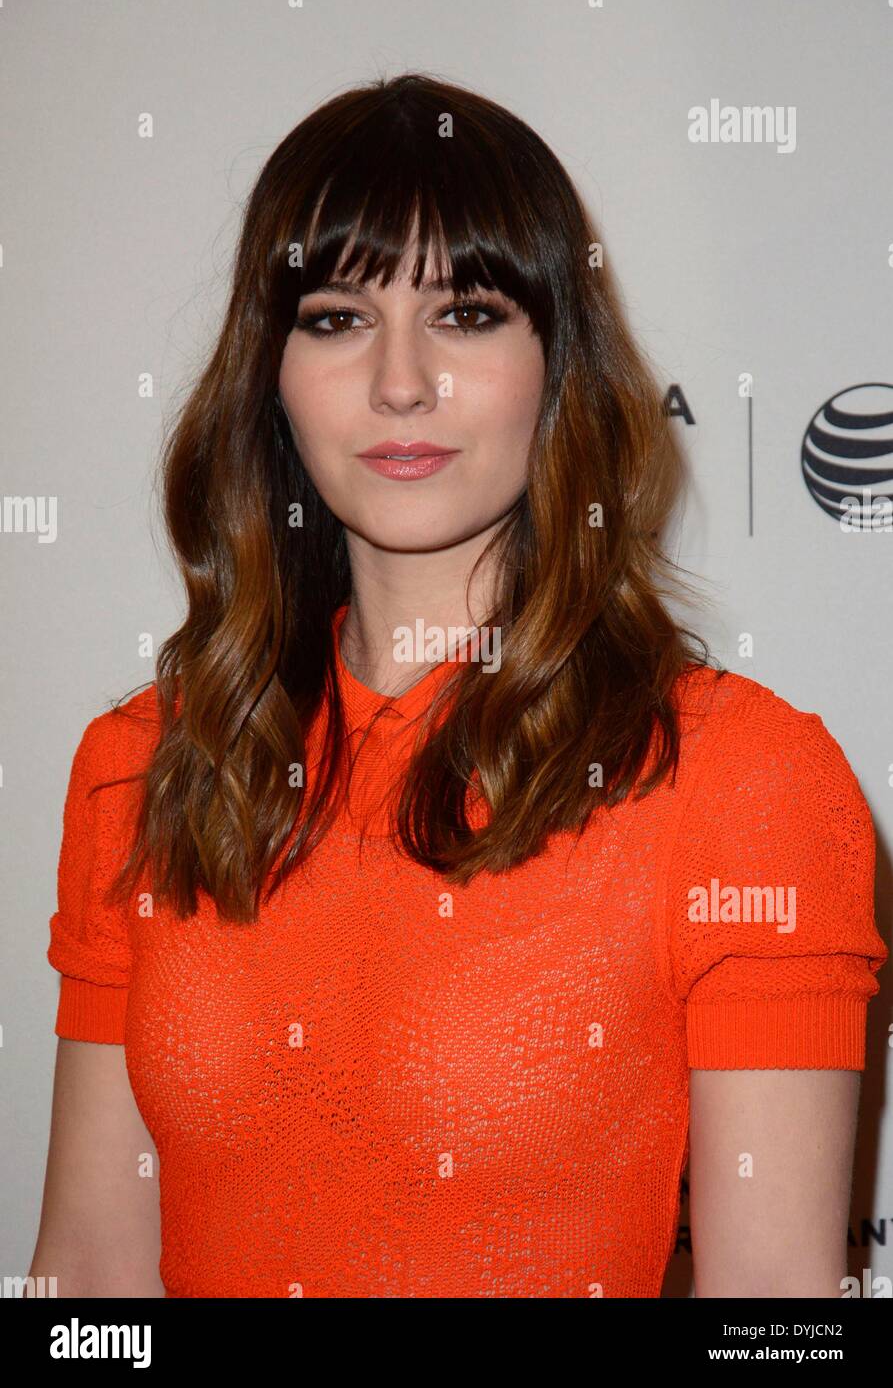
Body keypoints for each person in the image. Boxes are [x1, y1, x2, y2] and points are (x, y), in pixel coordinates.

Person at [29, 71, 887, 1299]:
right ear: (267, 372)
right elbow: (90, 1280)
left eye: (467, 313)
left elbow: (774, 1320)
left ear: (558, 368)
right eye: (333, 316)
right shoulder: (146, 763)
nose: (398, 381)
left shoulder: (738, 779)